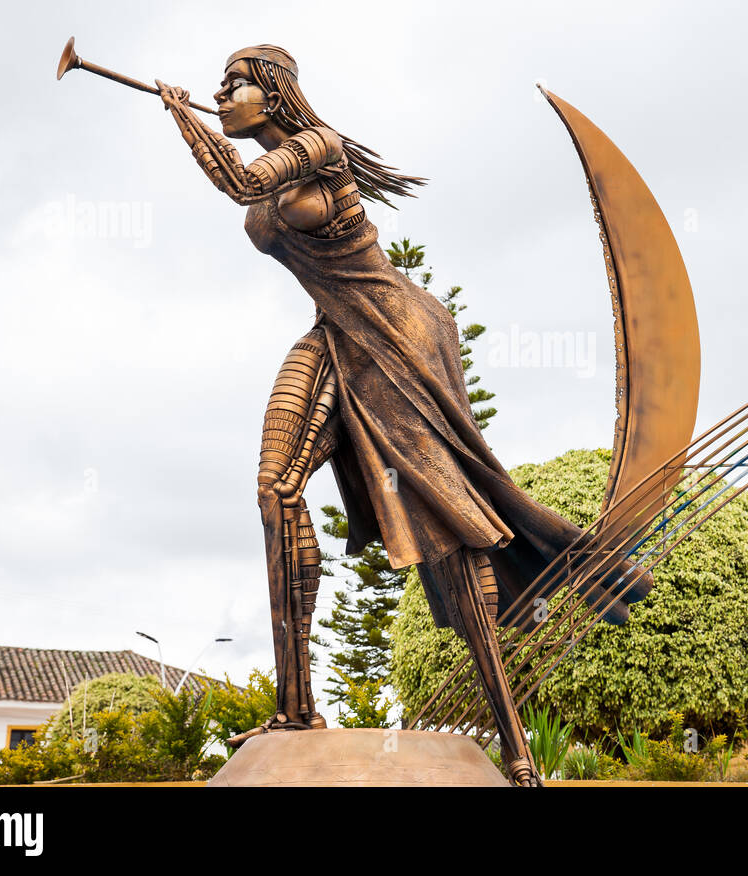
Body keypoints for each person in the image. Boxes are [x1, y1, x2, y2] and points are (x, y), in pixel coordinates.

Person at [154, 45, 650, 786]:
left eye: (236, 84)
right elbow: (249, 187)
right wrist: (194, 121)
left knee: (449, 528)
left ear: (275, 92)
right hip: (334, 334)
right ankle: (296, 709)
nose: (221, 95)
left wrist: (179, 116)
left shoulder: (317, 148)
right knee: (275, 492)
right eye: (217, 88)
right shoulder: (275, 175)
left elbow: (238, 181)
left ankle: (516, 750)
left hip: (395, 336)